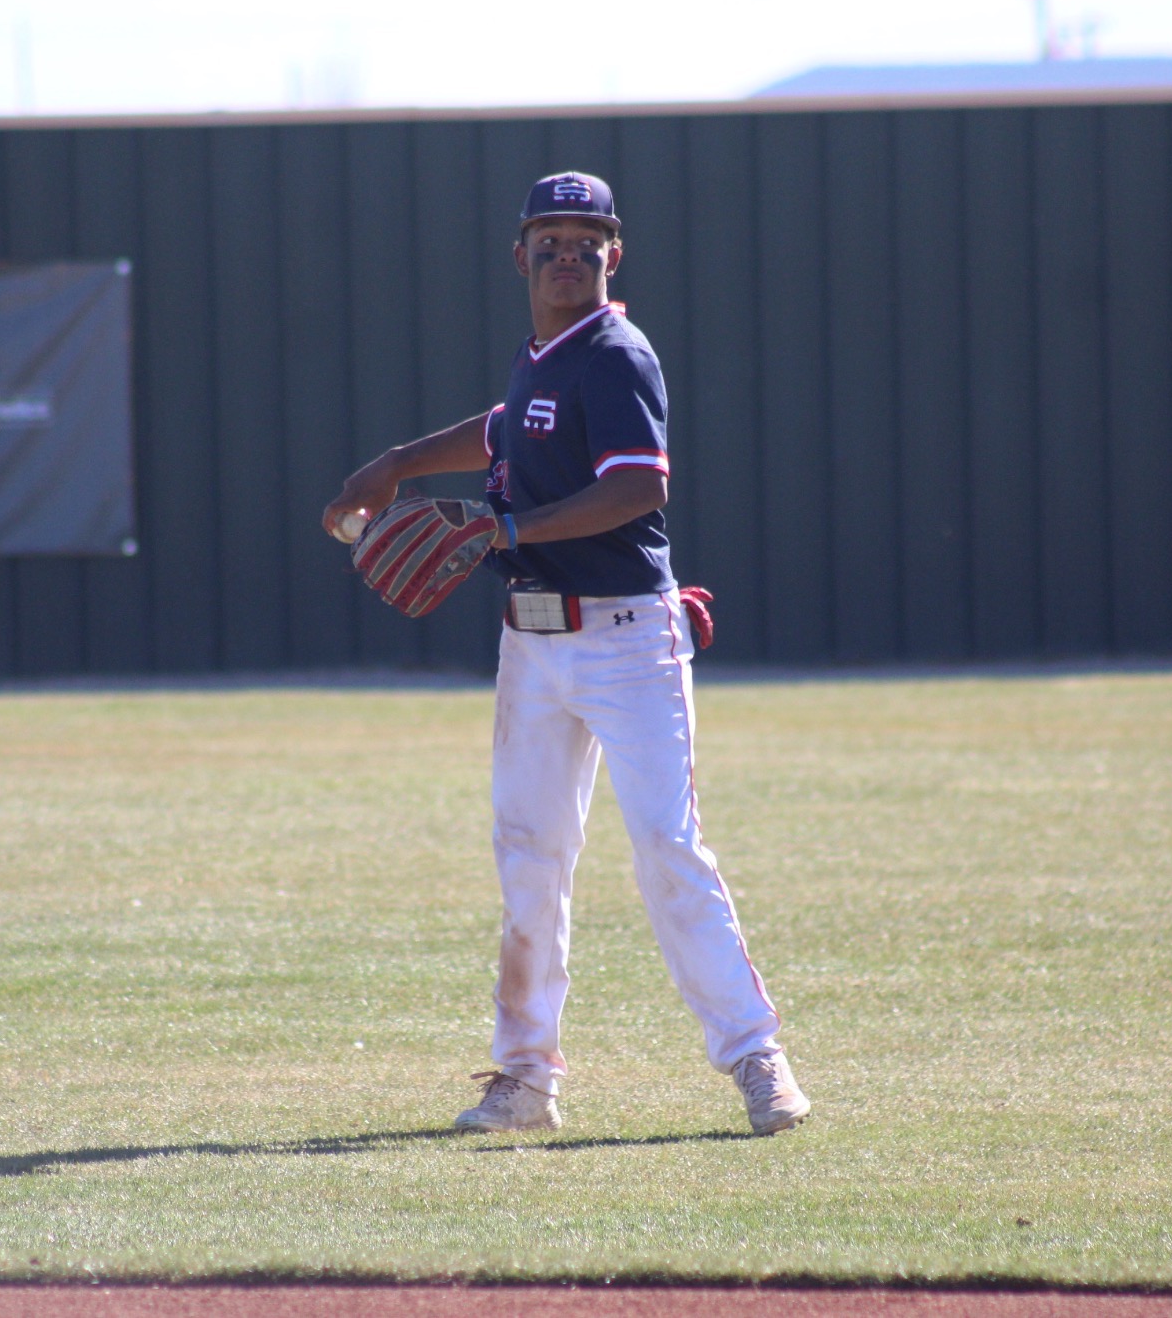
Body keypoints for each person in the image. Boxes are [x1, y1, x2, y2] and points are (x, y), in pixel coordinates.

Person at [321, 171, 809, 1137]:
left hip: (627, 635)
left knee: (669, 848)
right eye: (550, 238)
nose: (567, 253)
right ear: (521, 255)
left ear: (612, 255)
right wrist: (398, 463)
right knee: (529, 860)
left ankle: (758, 1057)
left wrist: (506, 529)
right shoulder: (543, 357)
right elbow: (508, 427)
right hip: (532, 646)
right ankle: (525, 1080)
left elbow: (635, 490)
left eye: (587, 239)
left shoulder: (619, 355)